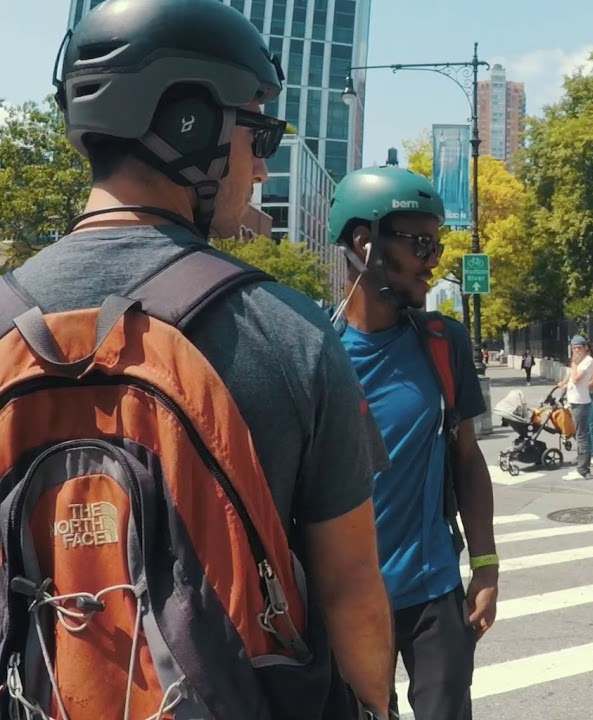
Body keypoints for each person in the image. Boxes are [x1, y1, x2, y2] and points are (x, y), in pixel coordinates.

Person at [11, 1, 394, 717]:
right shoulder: (288, 333)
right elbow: (351, 588)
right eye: (258, 129)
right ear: (189, 121)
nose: (262, 160)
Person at [328, 165, 500, 720]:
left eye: (438, 243)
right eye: (421, 243)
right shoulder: (314, 352)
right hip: (343, 600)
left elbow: (468, 460)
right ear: (363, 241)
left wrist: (487, 567)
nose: (434, 259)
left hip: (433, 591)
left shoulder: (443, 342)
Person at [558, 336, 593, 479]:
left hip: (581, 402)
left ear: (585, 347)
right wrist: (563, 383)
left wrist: (573, 364)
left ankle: (582, 469)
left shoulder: (588, 361)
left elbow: (576, 378)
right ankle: (582, 464)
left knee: (581, 436)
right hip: (574, 400)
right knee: (579, 434)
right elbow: (571, 378)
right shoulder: (580, 361)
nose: (576, 351)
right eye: (573, 348)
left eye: (578, 348)